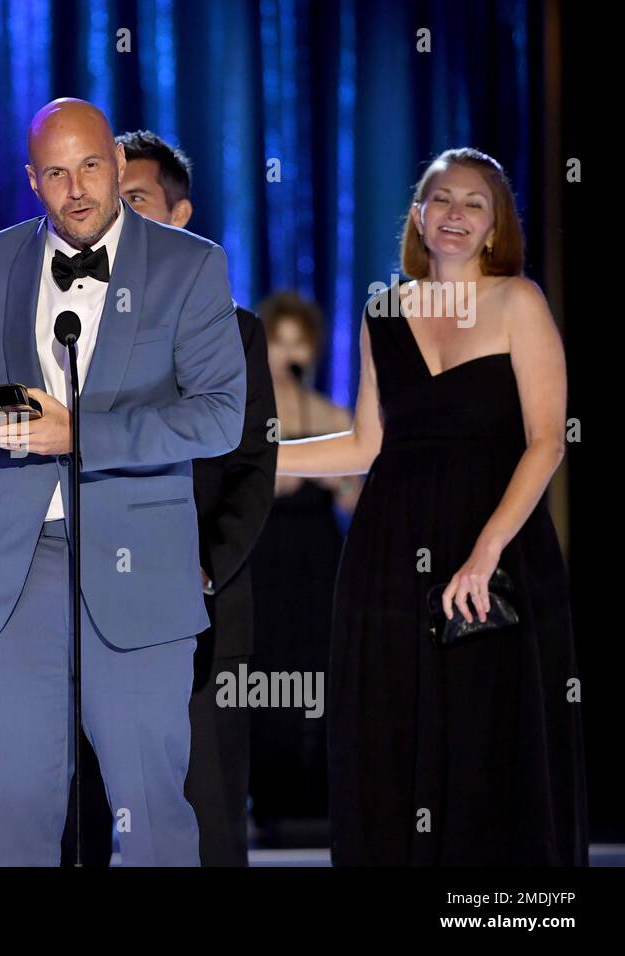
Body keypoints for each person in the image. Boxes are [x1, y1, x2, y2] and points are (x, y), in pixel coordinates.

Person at [0, 99, 246, 866]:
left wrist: (81, 435)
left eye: (91, 166)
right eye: (56, 173)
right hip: (13, 571)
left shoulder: (190, 265)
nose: (77, 189)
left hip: (139, 563)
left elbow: (222, 419)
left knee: (152, 812)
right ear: (32, 180)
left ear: (120, 167)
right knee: (20, 821)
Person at [277, 148, 587, 865]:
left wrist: (485, 555)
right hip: (389, 556)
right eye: (440, 199)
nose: (454, 213)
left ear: (494, 225)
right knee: (392, 740)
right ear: (418, 216)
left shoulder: (520, 302)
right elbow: (363, 445)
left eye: (473, 203)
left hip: (498, 554)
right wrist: (254, 457)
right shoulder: (383, 311)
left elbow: (546, 442)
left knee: (489, 747)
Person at [61, 129, 277, 866]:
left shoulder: (235, 333)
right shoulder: (63, 326)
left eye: (138, 200)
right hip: (83, 597)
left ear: (180, 217)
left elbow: (250, 466)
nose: (117, 214)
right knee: (81, 804)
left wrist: (205, 568)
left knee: (202, 805)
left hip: (201, 606)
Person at [248, 291, 355, 832]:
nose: (288, 352)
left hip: (316, 558)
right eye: (278, 340)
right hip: (264, 555)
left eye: (299, 341)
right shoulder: (247, 409)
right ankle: (266, 792)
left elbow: (355, 494)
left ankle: (316, 794)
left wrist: (333, 475)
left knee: (316, 663)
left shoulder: (332, 413)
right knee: (263, 666)